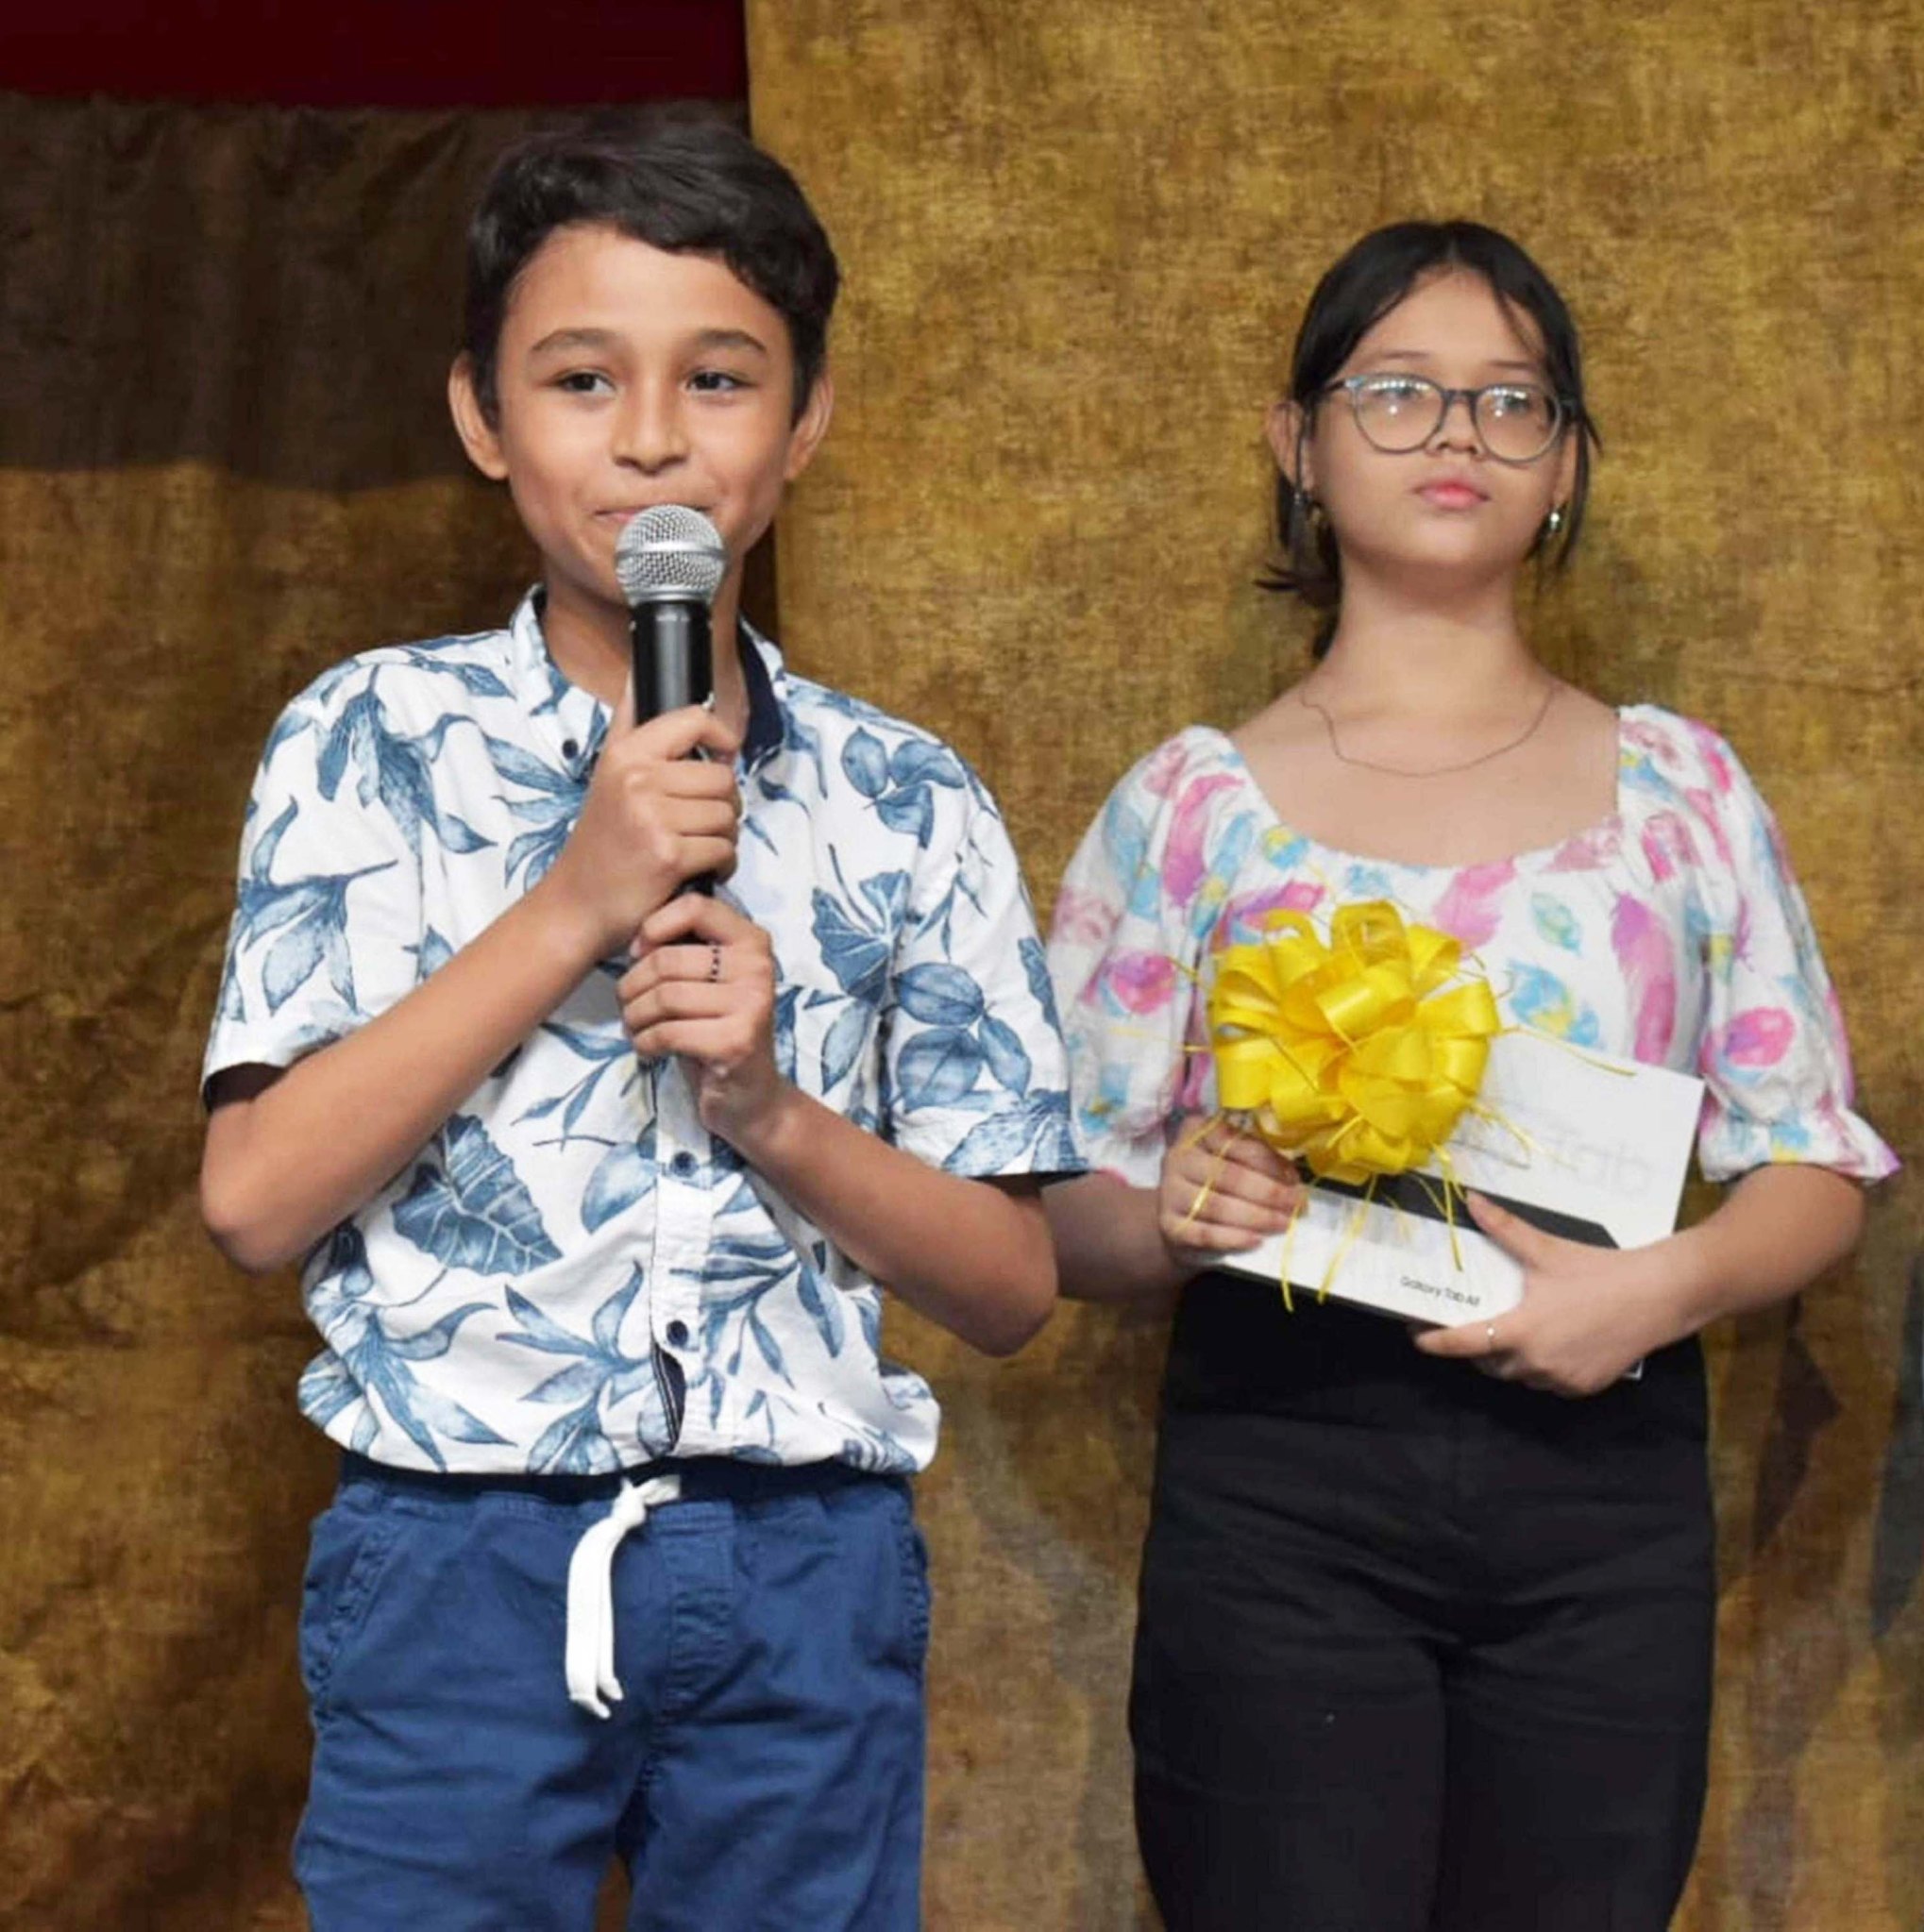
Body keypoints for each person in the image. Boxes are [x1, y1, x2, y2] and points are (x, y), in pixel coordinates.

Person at [199, 112, 1078, 1931]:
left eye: (722, 378)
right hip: (457, 1557)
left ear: (807, 419)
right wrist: (576, 902)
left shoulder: (909, 798)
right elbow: (257, 1199)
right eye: (582, 378)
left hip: (801, 1566)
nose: (654, 438)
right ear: (480, 415)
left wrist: (771, 1108)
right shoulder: (365, 739)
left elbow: (1007, 1287)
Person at [1043, 221, 1897, 1931]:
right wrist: (1182, 1215)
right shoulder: (1191, 808)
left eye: (1511, 402)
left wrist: (1658, 1292)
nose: (1456, 436)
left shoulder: (1681, 791)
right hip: (1281, 1493)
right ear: (1298, 440)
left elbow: (1812, 1165)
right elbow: (1069, 1217)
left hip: (1604, 1491)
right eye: (1400, 392)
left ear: (1565, 462)